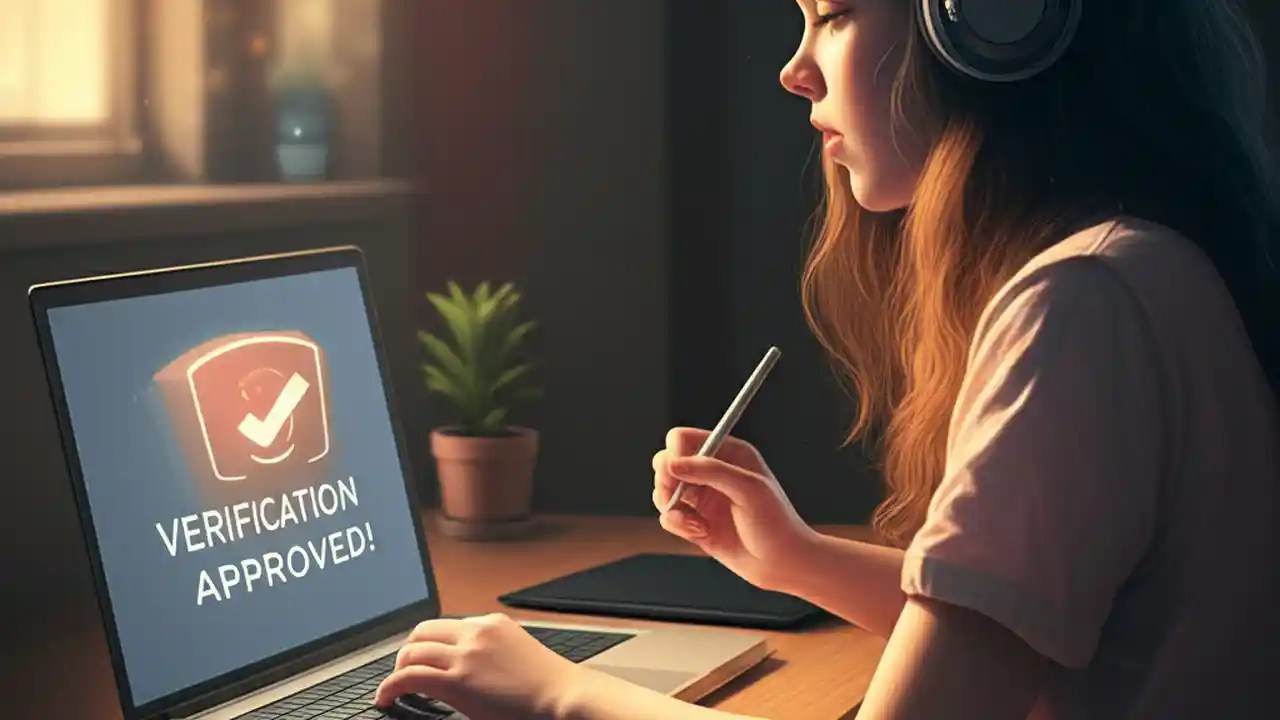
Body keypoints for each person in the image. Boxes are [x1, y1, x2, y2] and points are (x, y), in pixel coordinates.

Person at [374, 1, 1280, 718]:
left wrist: (557, 692)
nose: (794, 68)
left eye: (833, 14)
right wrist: (797, 559)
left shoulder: (1078, 307)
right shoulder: (1142, 266)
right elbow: (1028, 629)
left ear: (987, 20)